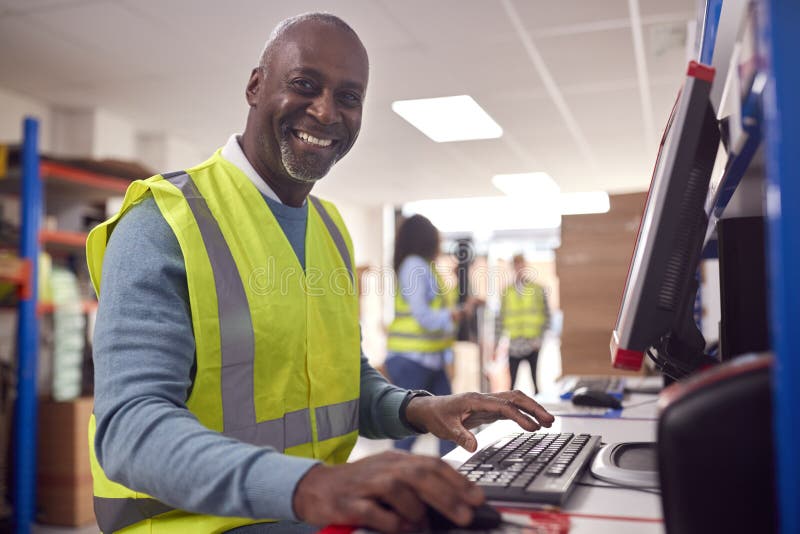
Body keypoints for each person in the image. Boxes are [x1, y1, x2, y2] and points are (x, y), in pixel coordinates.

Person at [87, 13, 554, 534]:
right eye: (304, 84)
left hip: (306, 515)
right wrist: (309, 484)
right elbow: (129, 431)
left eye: (349, 97)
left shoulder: (329, 229)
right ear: (256, 86)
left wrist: (420, 409)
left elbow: (340, 382)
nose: (327, 111)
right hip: (190, 524)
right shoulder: (163, 223)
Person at [385, 215, 475, 457]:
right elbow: (424, 316)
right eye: (437, 238)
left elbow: (436, 308)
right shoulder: (415, 266)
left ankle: (453, 470)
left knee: (451, 421)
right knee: (407, 428)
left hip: (430, 360)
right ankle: (395, 479)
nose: (440, 244)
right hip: (411, 361)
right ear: (425, 239)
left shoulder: (426, 267)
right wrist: (454, 316)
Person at [497, 254, 551, 393]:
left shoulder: (538, 289)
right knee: (512, 384)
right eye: (516, 265)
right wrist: (497, 344)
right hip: (514, 344)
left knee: (536, 383)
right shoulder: (507, 292)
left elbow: (547, 316)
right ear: (513, 267)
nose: (519, 268)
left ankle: (538, 412)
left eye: (521, 264)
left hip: (533, 343)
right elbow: (500, 319)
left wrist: (540, 340)